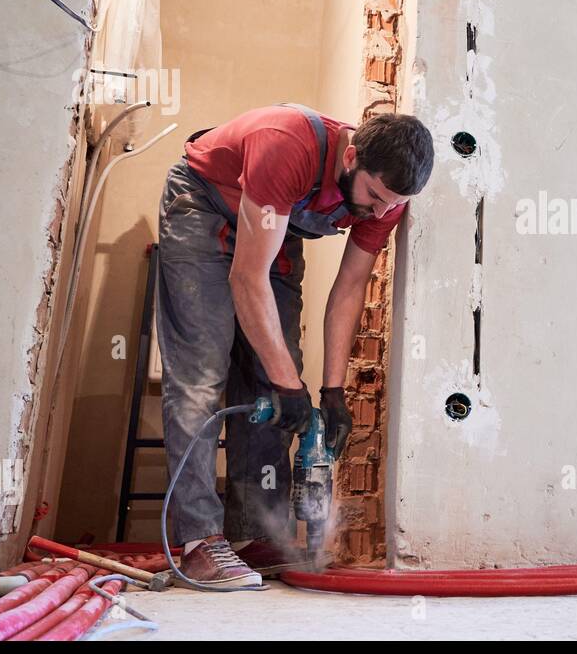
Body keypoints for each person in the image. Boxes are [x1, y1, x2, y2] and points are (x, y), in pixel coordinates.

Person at [155, 103, 434, 586]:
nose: (381, 211)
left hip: (275, 234)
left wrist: (331, 392)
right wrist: (290, 386)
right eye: (374, 196)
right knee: (201, 376)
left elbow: (348, 290)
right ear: (350, 157)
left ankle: (253, 534)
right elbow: (247, 276)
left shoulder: (387, 198)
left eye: (392, 203)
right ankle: (200, 541)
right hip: (202, 210)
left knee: (272, 385)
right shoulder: (287, 146)